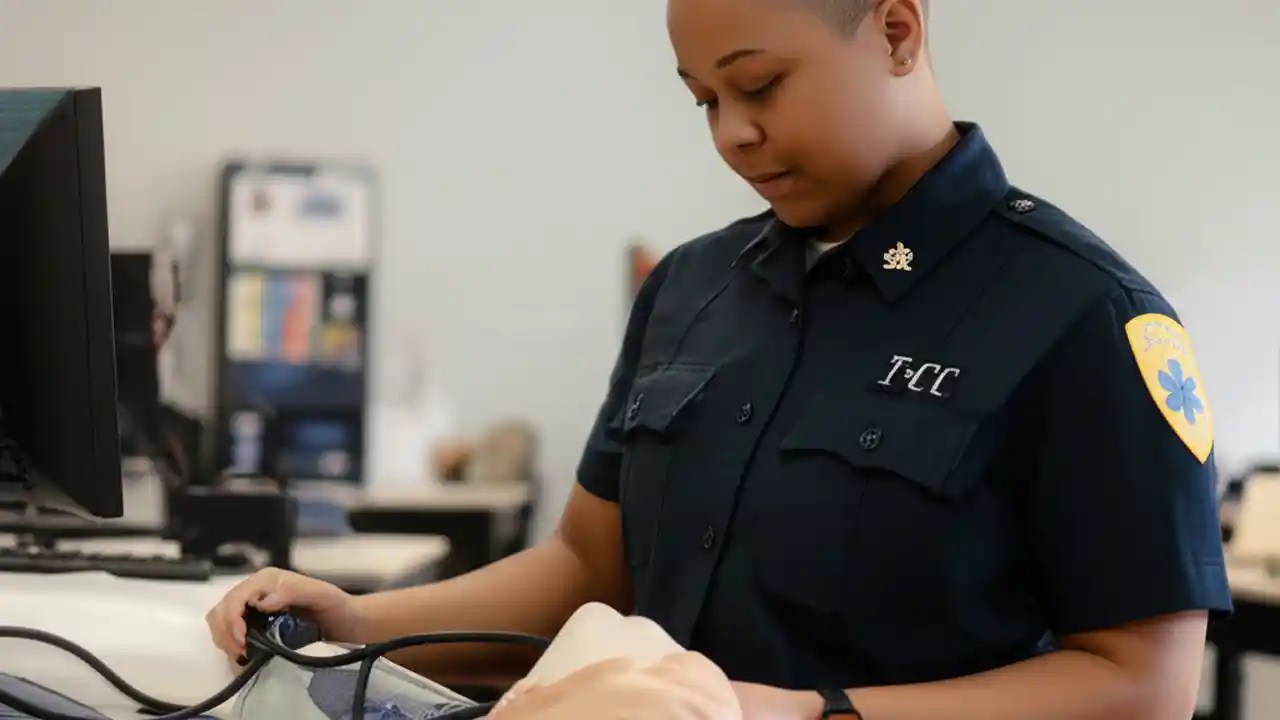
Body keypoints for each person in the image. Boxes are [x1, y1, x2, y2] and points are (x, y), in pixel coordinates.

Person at [207, 0, 1233, 717]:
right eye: (702, 99)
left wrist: (802, 714)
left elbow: (1140, 686)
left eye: (759, 86)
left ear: (895, 27)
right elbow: (588, 568)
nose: (733, 136)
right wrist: (358, 620)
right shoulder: (694, 288)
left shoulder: (1080, 315)